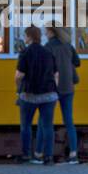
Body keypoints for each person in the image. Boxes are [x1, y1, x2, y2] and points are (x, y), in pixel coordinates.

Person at [15, 25, 58, 164]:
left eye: (25, 35)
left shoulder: (25, 53)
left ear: (29, 37)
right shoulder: (48, 52)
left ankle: (26, 154)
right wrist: (53, 88)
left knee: (26, 126)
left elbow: (19, 75)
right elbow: (56, 74)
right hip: (49, 95)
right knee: (47, 126)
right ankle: (48, 157)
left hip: (29, 95)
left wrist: (18, 90)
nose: (24, 38)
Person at [45, 24, 81, 164]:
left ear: (51, 32)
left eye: (46, 31)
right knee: (69, 121)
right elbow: (77, 63)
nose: (45, 34)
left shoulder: (48, 47)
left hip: (53, 87)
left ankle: (41, 153)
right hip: (68, 87)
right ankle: (73, 154)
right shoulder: (68, 46)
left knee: (46, 121)